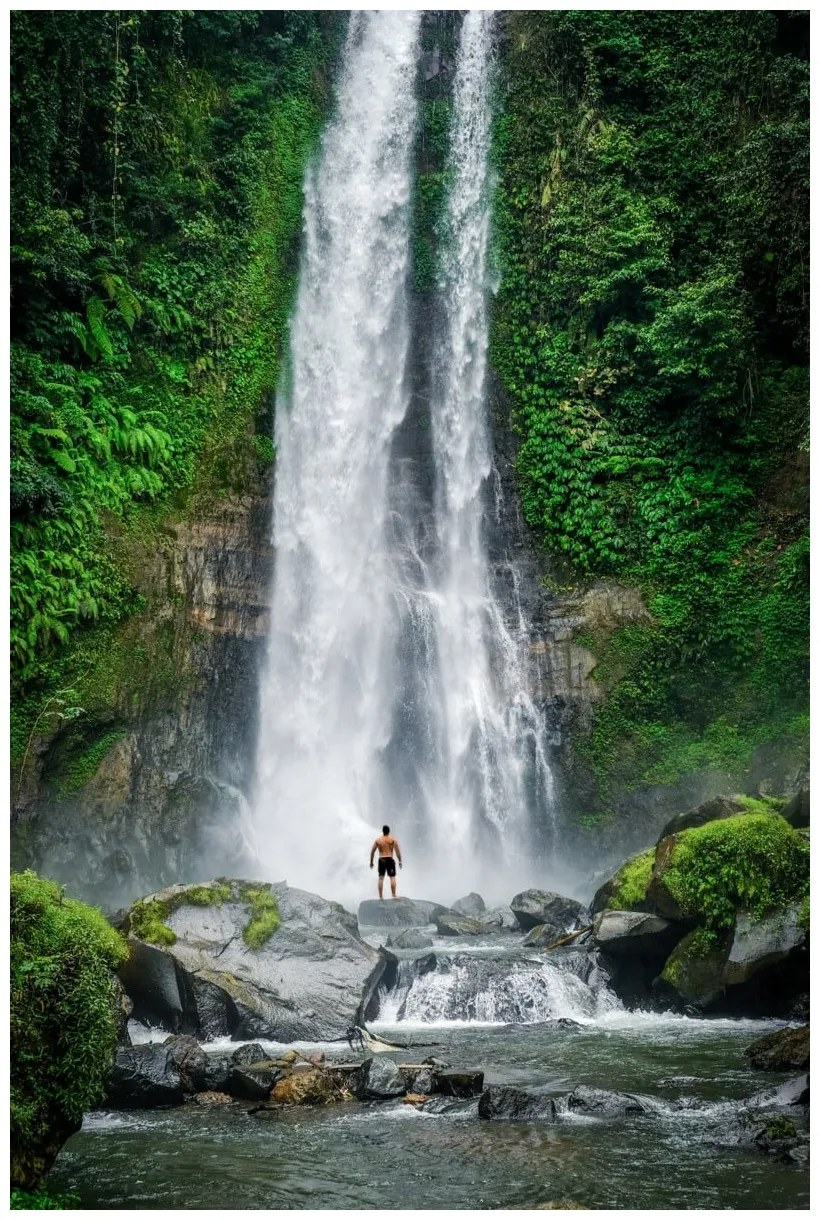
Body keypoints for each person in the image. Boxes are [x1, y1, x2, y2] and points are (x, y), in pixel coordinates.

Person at [369, 825, 402, 899]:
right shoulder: (393, 840)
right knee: (392, 877)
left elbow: (372, 852)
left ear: (383, 831)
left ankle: (381, 897)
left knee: (381, 878)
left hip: (381, 860)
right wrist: (400, 861)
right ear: (389, 831)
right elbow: (398, 852)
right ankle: (393, 894)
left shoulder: (378, 840)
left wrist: (371, 862)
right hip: (390, 859)